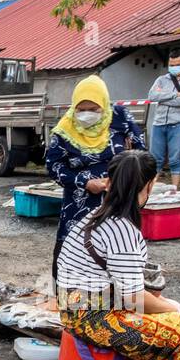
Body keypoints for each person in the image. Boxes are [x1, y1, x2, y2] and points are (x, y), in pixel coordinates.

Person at [57, 150, 180, 360]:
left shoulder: (93, 217)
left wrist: (167, 307)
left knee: (171, 309)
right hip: (92, 318)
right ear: (150, 184)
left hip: (75, 307)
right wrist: (173, 312)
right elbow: (133, 298)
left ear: (109, 182)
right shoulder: (122, 229)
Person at [45, 74, 144, 278]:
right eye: (81, 110)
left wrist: (125, 175)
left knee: (118, 250)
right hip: (79, 204)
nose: (87, 114)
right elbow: (53, 166)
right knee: (72, 254)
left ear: (104, 105)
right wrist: (84, 182)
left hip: (118, 200)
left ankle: (119, 298)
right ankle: (69, 299)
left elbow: (141, 152)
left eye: (93, 109)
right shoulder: (65, 130)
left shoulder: (119, 117)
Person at [146, 49, 180, 190]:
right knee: (155, 159)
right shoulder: (162, 79)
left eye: (177, 64)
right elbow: (151, 96)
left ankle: (174, 190)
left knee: (175, 159)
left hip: (179, 123)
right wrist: (175, 94)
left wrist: (163, 97)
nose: (174, 67)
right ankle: (150, 189)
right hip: (159, 122)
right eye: (171, 64)